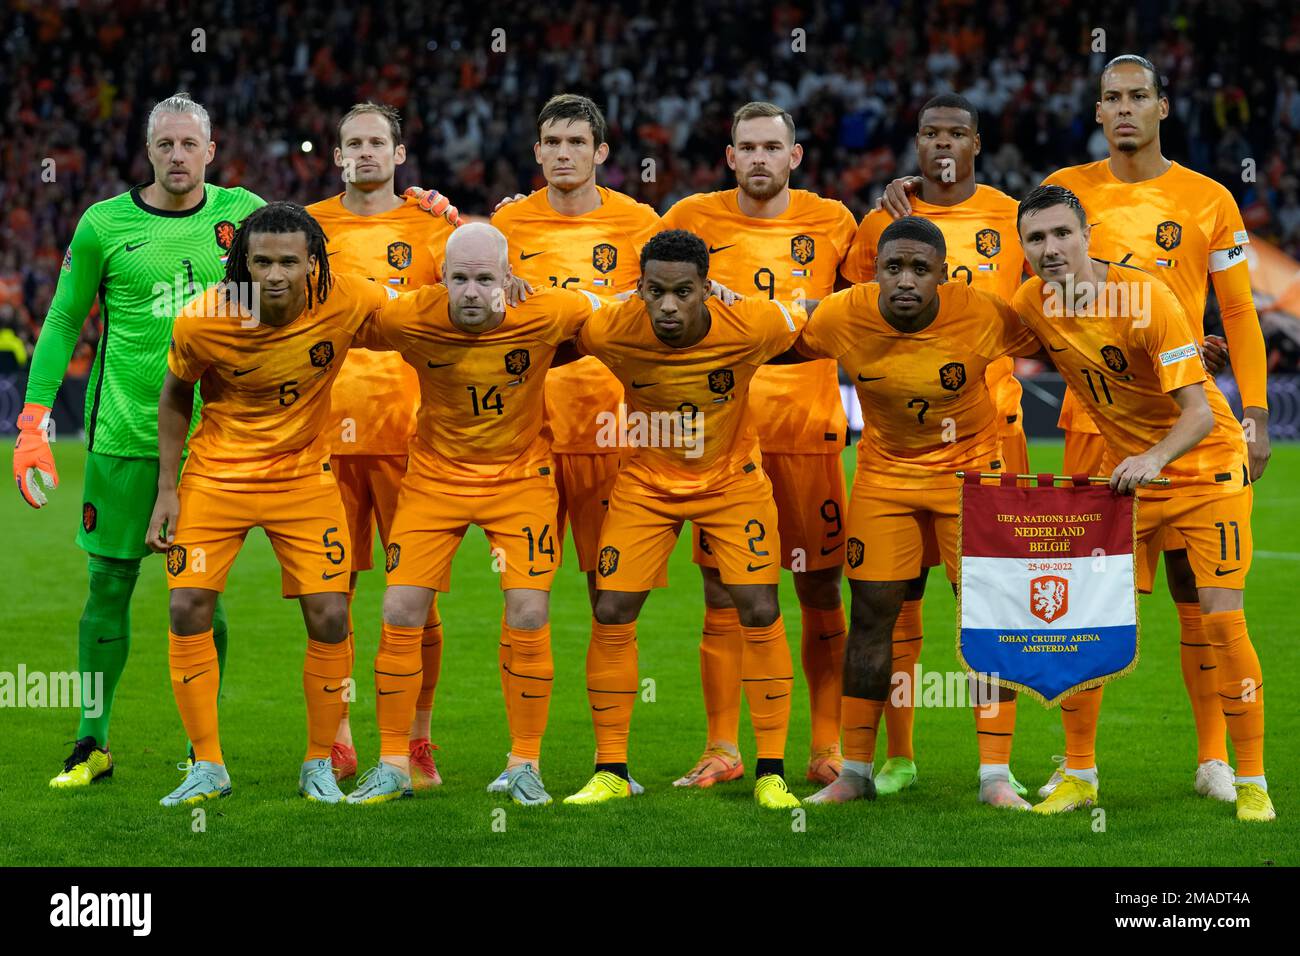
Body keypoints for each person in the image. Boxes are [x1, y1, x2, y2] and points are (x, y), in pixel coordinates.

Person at [14, 92, 264, 789]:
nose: (178, 156)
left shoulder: (244, 215)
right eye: (165, 145)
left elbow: (319, 262)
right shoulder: (104, 224)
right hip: (123, 437)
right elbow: (63, 321)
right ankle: (91, 742)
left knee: (199, 596)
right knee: (107, 589)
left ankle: (202, 749)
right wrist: (33, 421)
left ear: (210, 150)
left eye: (190, 144)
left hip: (212, 445)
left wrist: (424, 206)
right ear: (148, 151)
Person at [147, 202, 395, 805]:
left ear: (314, 263)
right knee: (186, 606)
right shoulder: (203, 319)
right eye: (261, 262)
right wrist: (167, 489)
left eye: (289, 261)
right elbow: (176, 395)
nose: (275, 274)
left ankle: (318, 762)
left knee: (330, 615)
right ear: (242, 262)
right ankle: (208, 765)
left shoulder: (348, 298)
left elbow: (426, 313)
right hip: (217, 476)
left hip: (303, 478)